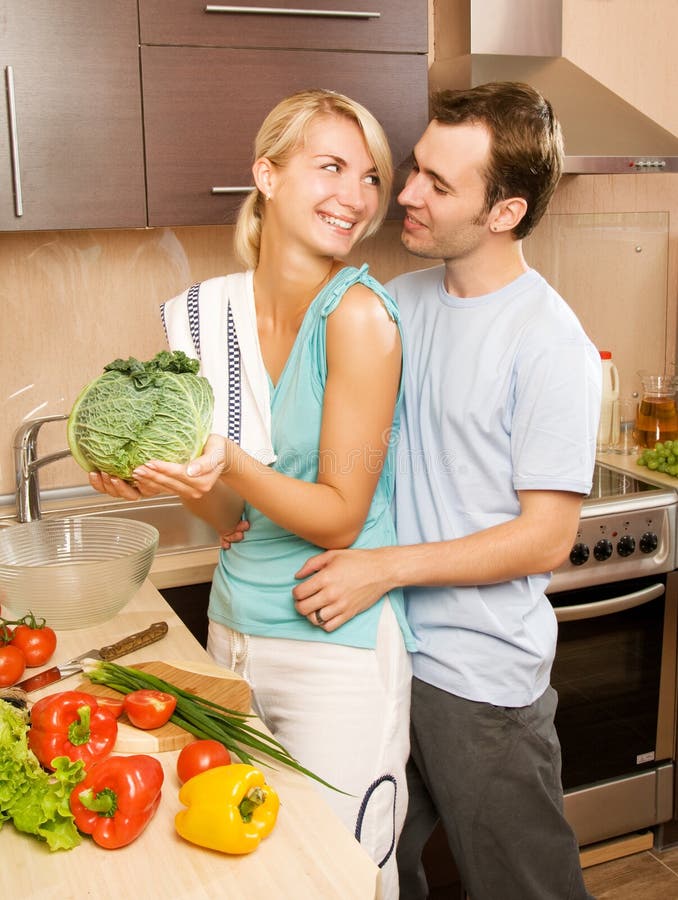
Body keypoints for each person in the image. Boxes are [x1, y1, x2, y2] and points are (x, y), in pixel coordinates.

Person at [88, 88, 414, 899]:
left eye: (368, 176)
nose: (355, 196)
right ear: (265, 175)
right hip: (233, 636)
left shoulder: (361, 318)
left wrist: (224, 458)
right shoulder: (207, 318)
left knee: (343, 879)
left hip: (335, 651)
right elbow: (230, 516)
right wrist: (160, 476)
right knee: (261, 878)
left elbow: (339, 515)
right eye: (330, 167)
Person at [288, 83, 601, 900]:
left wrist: (382, 567)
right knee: (383, 876)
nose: (406, 195)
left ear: (504, 213)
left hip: (478, 685)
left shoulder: (549, 344)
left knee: (525, 886)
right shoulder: (401, 304)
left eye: (438, 183)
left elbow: (545, 539)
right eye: (416, 168)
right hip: (386, 655)